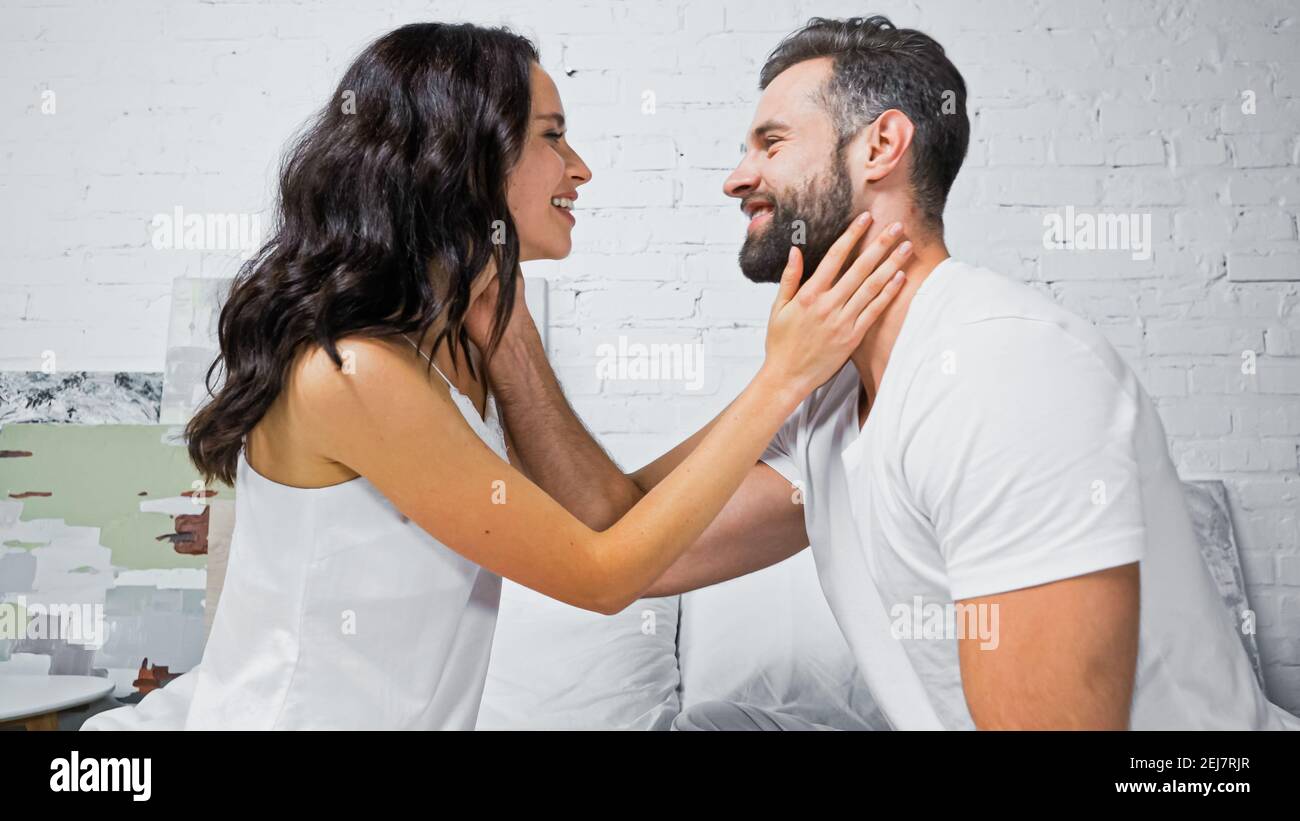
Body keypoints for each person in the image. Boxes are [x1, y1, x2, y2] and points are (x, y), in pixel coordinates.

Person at [481, 15, 1300, 731]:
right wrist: (502, 304)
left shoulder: (1005, 373)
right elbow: (621, 537)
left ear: (880, 145)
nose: (735, 177)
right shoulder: (829, 395)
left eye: (770, 143)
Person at [81, 21, 906, 730]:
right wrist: (779, 380)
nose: (579, 168)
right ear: (461, 157)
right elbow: (601, 575)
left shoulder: (464, 340)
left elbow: (614, 513)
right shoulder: (355, 372)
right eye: (551, 135)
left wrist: (797, 393)